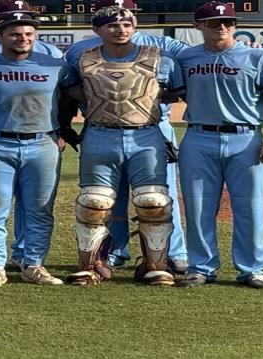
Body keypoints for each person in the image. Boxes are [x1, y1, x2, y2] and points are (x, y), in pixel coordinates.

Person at [63, 0, 191, 277]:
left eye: (126, 23)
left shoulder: (163, 52)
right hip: (99, 132)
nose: (120, 29)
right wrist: (64, 127)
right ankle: (99, 261)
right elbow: (66, 92)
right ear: (97, 28)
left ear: (135, 23)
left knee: (154, 200)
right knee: (97, 201)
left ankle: (162, 261)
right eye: (112, 24)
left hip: (149, 131)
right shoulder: (79, 54)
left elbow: (197, 63)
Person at [172, 2, 263, 288]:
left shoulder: (259, 56)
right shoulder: (185, 58)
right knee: (198, 207)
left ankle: (254, 269)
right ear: (197, 26)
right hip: (198, 137)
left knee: (250, 206)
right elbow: (168, 92)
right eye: (212, 22)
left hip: (246, 139)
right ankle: (201, 267)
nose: (222, 27)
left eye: (228, 22)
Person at [0, 12, 72, 287]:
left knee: (40, 210)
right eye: (15, 34)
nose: (23, 39)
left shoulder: (56, 66)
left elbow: (72, 97)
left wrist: (63, 129)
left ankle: (34, 264)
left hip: (42, 143)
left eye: (29, 33)